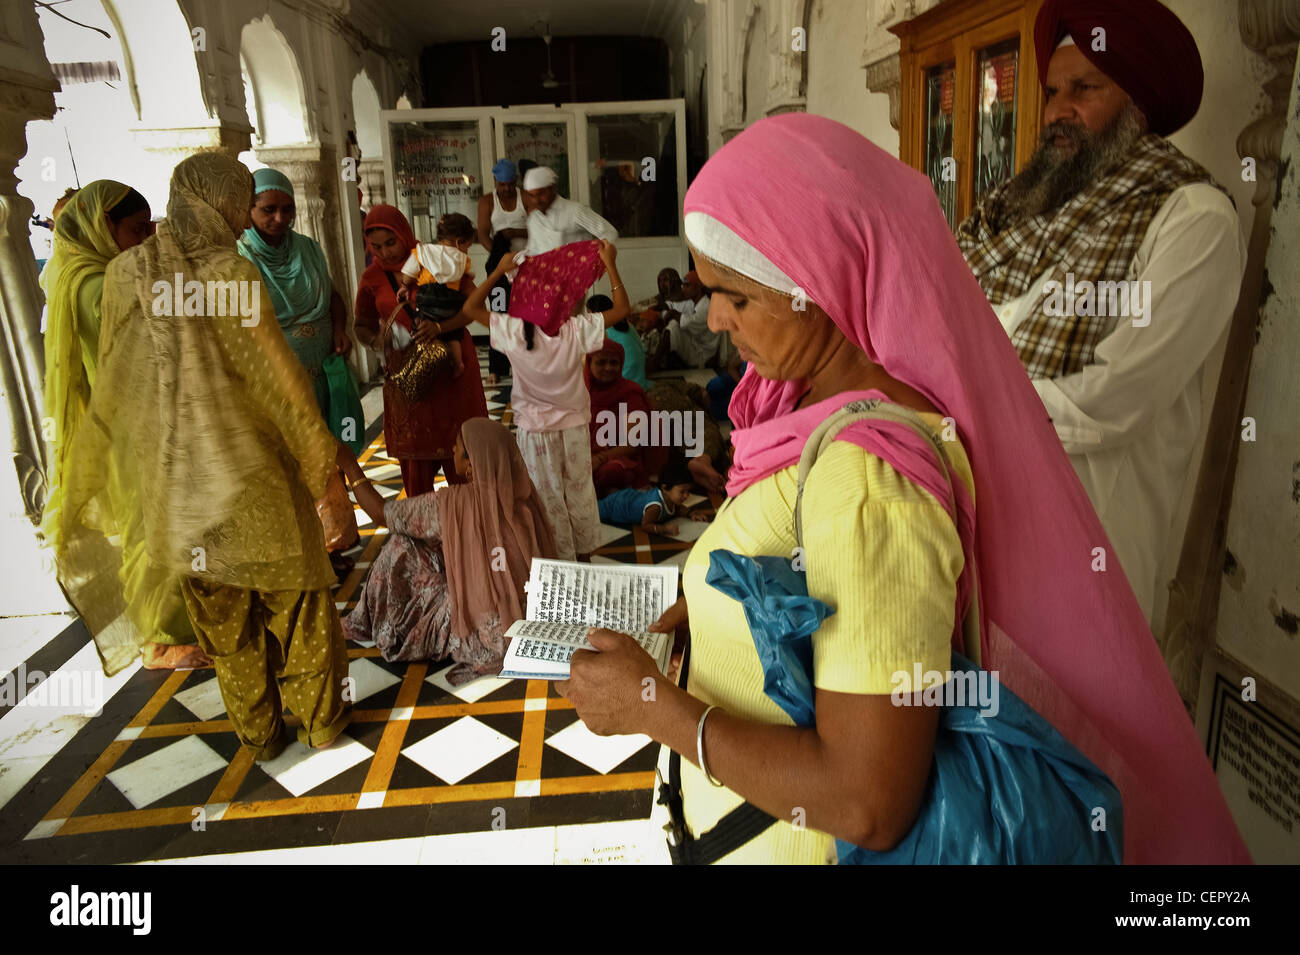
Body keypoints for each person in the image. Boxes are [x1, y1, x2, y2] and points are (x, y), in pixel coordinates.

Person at [556, 113, 1248, 865]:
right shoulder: (801, 400)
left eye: (736, 297)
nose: (717, 320)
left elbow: (867, 801)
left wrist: (653, 706)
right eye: (708, 290)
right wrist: (719, 603)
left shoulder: (870, 479)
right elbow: (815, 583)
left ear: (816, 284)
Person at [54, 152, 352, 761]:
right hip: (252, 476)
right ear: (215, 202)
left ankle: (260, 737)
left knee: (224, 619)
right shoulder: (231, 275)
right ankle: (322, 725)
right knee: (296, 603)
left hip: (175, 484)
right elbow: (275, 381)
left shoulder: (123, 276)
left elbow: (118, 379)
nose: (245, 220)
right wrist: (324, 467)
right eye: (240, 203)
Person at [955, 0, 1244, 626]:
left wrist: (958, 399)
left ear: (1138, 102)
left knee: (1069, 720)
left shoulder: (1193, 218)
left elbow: (1109, 400)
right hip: (971, 527)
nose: (1059, 108)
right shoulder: (1015, 212)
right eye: (1055, 89)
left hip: (1086, 553)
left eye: (1085, 88)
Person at [40, 180, 208, 671]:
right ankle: (158, 641)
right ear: (103, 226)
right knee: (148, 531)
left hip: (138, 423)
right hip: (134, 431)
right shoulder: (95, 285)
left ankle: (177, 623)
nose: (144, 239)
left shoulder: (90, 274)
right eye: (136, 230)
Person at [341, 418, 557, 681]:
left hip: (481, 640)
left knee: (400, 544)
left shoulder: (451, 504)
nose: (451, 451)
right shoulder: (525, 498)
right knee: (439, 546)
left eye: (457, 447)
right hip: (533, 624)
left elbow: (381, 513)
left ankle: (382, 625)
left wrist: (351, 467)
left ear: (471, 463)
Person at [461, 240, 629, 561]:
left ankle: (560, 564)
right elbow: (622, 310)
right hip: (575, 428)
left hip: (535, 433)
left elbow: (469, 309)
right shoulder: (574, 330)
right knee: (580, 491)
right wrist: (609, 263)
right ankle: (585, 558)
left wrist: (498, 270)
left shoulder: (514, 330)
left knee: (548, 498)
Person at [353, 204, 489, 496]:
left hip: (453, 371)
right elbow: (361, 324)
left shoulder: (435, 257)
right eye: (376, 246)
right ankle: (422, 539)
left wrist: (441, 328)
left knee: (466, 465)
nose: (386, 252)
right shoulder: (372, 279)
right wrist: (379, 341)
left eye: (391, 242)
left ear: (405, 234)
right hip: (410, 378)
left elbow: (476, 308)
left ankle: (472, 533)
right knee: (417, 474)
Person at [237, 167, 351, 416]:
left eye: (287, 209)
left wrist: (340, 329)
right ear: (249, 209)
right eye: (269, 210)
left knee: (329, 442)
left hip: (323, 369)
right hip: (276, 376)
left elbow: (331, 296)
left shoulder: (306, 248)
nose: (280, 218)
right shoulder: (238, 258)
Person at [397, 212, 478, 378]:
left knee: (419, 326)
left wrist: (405, 286)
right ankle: (457, 364)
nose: (466, 251)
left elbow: (409, 273)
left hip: (428, 300)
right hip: (450, 304)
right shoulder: (461, 258)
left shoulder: (423, 252)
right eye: (467, 247)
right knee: (453, 336)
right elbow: (470, 274)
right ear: (459, 242)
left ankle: (423, 361)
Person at [586, 336, 663, 495]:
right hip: (585, 455)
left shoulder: (629, 393)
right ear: (589, 363)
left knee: (612, 472)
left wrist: (599, 459)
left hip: (618, 458)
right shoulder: (580, 392)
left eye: (614, 363)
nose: (608, 368)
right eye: (601, 362)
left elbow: (632, 445)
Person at [478, 158, 528, 383]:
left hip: (526, 265)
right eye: (502, 184)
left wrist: (513, 233)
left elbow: (539, 228)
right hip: (499, 268)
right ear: (495, 182)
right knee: (499, 315)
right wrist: (499, 256)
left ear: (516, 181)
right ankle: (496, 367)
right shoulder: (487, 201)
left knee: (525, 315)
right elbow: (482, 234)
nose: (506, 188)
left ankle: (524, 365)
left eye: (509, 184)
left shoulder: (525, 198)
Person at [522, 165, 618, 255]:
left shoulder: (575, 211)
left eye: (541, 194)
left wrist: (591, 258)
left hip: (580, 272)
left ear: (552, 189)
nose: (536, 200)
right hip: (547, 273)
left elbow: (609, 232)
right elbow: (533, 251)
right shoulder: (533, 220)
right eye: (531, 195)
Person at [597, 462, 704, 537]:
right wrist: (665, 529)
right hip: (617, 506)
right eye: (682, 492)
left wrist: (691, 513)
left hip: (629, 497)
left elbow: (678, 509)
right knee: (592, 513)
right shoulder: (655, 506)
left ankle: (609, 491)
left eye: (688, 491)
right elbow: (646, 525)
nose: (686, 495)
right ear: (665, 488)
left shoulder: (670, 497)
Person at [589, 294, 650, 390]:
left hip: (625, 387)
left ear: (595, 314)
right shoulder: (627, 325)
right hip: (640, 381)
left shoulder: (604, 330)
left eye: (589, 314)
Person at [666, 270, 720, 369]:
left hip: (702, 355)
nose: (683, 289)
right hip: (696, 347)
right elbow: (674, 305)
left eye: (687, 285)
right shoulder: (694, 303)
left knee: (674, 326)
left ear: (698, 287)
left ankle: (656, 361)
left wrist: (672, 313)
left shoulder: (707, 307)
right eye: (683, 286)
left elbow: (686, 323)